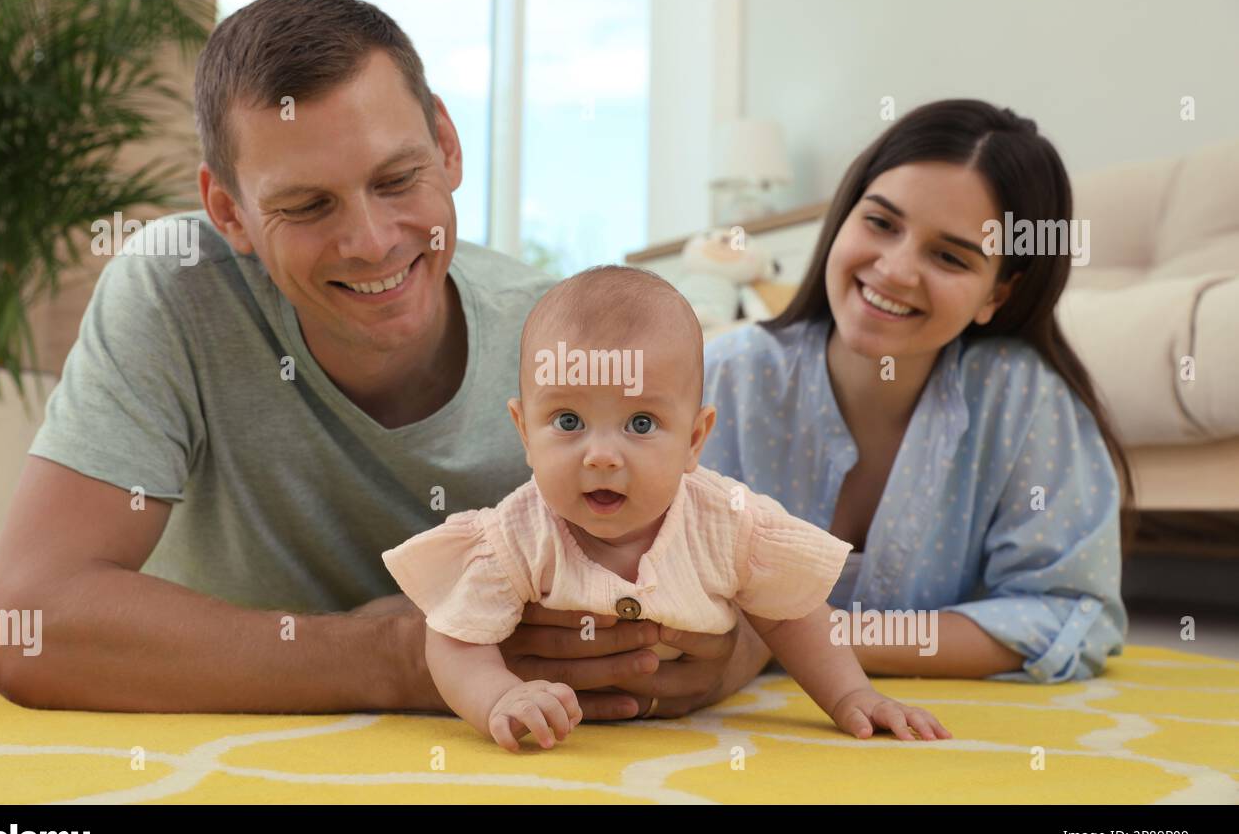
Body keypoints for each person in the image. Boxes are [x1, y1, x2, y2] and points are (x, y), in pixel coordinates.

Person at [0, 0, 775, 718]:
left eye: (398, 179)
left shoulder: (561, 341)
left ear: (448, 146)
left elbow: (733, 575)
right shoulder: (174, 290)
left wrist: (723, 652)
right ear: (229, 210)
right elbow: (28, 624)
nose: (369, 243)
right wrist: (398, 660)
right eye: (307, 205)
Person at [382, 266, 953, 751]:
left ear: (694, 439)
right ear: (523, 431)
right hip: (575, 751)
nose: (601, 456)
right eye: (568, 422)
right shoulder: (514, 535)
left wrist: (852, 694)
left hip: (689, 734)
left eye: (641, 424)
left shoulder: (727, 521)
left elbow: (794, 613)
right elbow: (457, 637)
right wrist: (499, 697)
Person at [701, 99, 1131, 684]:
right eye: (880, 223)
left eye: (950, 256)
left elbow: (1069, 611)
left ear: (996, 296)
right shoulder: (723, 378)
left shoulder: (1022, 398)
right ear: (844, 218)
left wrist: (804, 638)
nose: (896, 270)